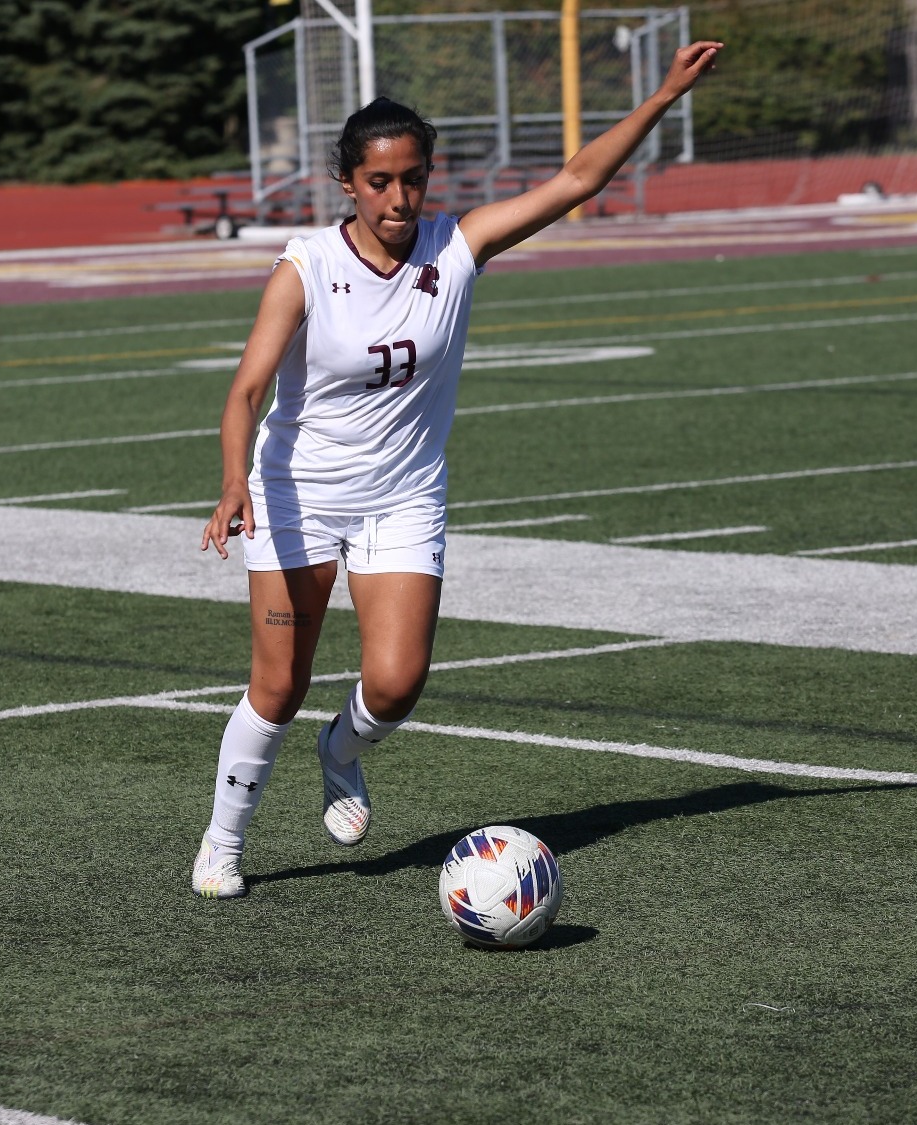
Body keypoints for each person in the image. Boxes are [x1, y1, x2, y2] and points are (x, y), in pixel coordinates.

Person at [188, 40, 726, 898]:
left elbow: (577, 182)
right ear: (347, 184)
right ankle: (222, 841)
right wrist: (231, 482)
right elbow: (246, 389)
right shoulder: (307, 267)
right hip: (299, 495)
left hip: (401, 496)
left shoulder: (457, 246)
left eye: (414, 178)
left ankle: (343, 751)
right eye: (380, 182)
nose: (400, 198)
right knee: (278, 685)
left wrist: (662, 96)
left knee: (396, 685)